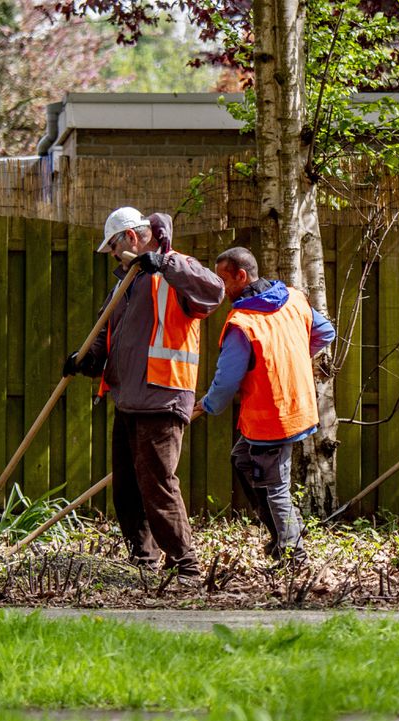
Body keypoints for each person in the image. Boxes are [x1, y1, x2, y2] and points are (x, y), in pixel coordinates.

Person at [64, 207, 224, 583]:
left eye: (115, 247)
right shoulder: (128, 280)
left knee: (157, 483)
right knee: (127, 487)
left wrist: (165, 264)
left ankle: (187, 566)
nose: (115, 256)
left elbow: (214, 291)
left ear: (131, 238)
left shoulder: (174, 268)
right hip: (129, 396)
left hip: (162, 393)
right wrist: (85, 359)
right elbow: (109, 330)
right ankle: (144, 561)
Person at [194, 247, 336, 568]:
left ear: (241, 277)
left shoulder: (243, 323)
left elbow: (227, 381)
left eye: (223, 279)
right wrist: (295, 354)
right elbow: (326, 331)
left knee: (275, 487)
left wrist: (208, 404)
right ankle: (280, 535)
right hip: (296, 407)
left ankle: (293, 555)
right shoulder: (293, 299)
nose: (220, 287)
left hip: (272, 418)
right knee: (242, 459)